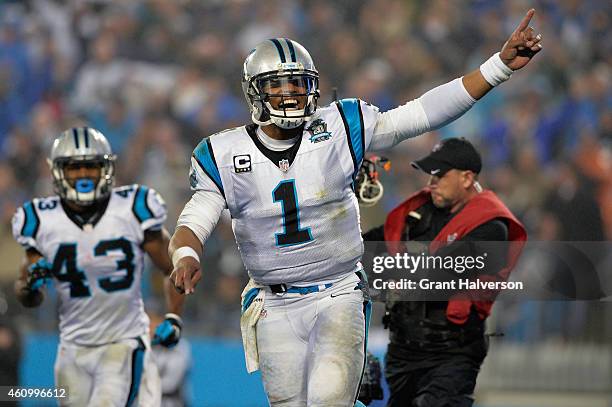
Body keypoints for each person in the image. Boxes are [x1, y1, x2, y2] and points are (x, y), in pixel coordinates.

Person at [170, 10, 541, 406]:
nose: (291, 93)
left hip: (338, 293)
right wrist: (187, 254)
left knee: (331, 399)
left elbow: (421, 114)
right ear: (255, 93)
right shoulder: (223, 153)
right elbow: (197, 215)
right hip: (272, 303)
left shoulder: (339, 126)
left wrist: (498, 67)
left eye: (298, 83)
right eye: (277, 86)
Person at [12, 127, 184, 407]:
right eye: (74, 168)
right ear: (57, 171)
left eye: (90, 167)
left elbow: (174, 268)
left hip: (124, 340)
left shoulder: (132, 207)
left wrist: (173, 316)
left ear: (106, 168)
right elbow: (27, 296)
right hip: (72, 348)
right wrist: (31, 284)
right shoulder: (40, 219)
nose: (82, 176)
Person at [363, 138, 527, 406]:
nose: (431, 182)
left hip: (452, 351)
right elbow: (371, 248)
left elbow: (442, 275)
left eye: (440, 175)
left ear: (466, 178)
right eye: (431, 174)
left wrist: (392, 275)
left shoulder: (493, 228)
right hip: (404, 349)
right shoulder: (422, 211)